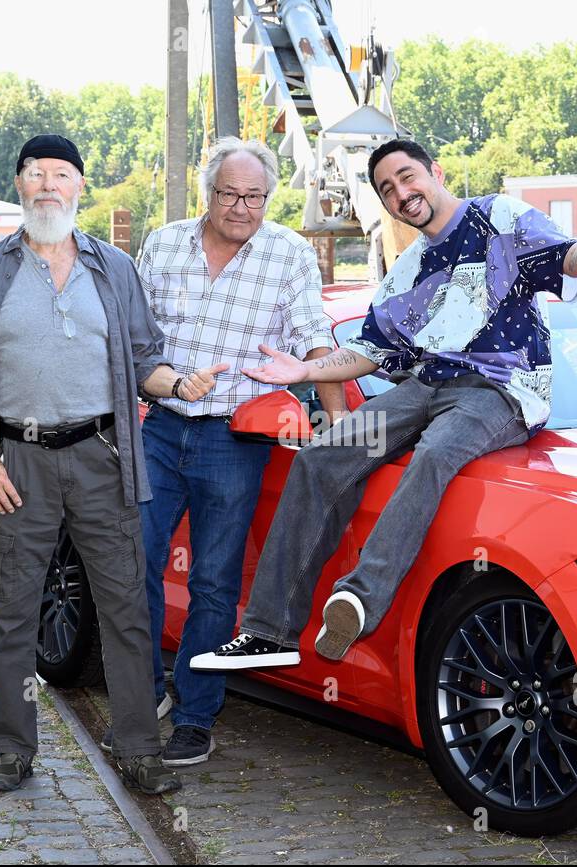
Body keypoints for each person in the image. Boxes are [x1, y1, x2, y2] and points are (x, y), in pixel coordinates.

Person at [191, 138, 577, 670]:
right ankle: (269, 631)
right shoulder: (406, 272)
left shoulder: (496, 218)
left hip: (501, 386)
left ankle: (360, 596)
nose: (402, 194)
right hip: (426, 387)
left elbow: (563, 255)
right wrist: (307, 370)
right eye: (387, 189)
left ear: (436, 173)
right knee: (323, 454)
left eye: (408, 178)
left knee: (434, 453)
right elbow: (369, 350)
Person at [0, 133, 226, 793]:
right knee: (13, 610)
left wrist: (179, 385)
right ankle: (13, 748)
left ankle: (137, 751)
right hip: (18, 463)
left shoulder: (113, 268)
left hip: (102, 458)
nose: (47, 185)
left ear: (79, 187)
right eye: (35, 174)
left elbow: (147, 360)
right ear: (19, 187)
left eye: (60, 174)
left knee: (126, 609)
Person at [135, 137, 345, 764]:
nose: (242, 208)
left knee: (214, 582)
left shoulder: (289, 255)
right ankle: (146, 692)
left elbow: (316, 343)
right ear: (209, 193)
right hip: (161, 426)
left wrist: (339, 424)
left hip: (235, 439)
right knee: (129, 563)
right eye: (230, 194)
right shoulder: (162, 246)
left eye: (255, 197)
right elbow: (133, 341)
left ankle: (196, 717)